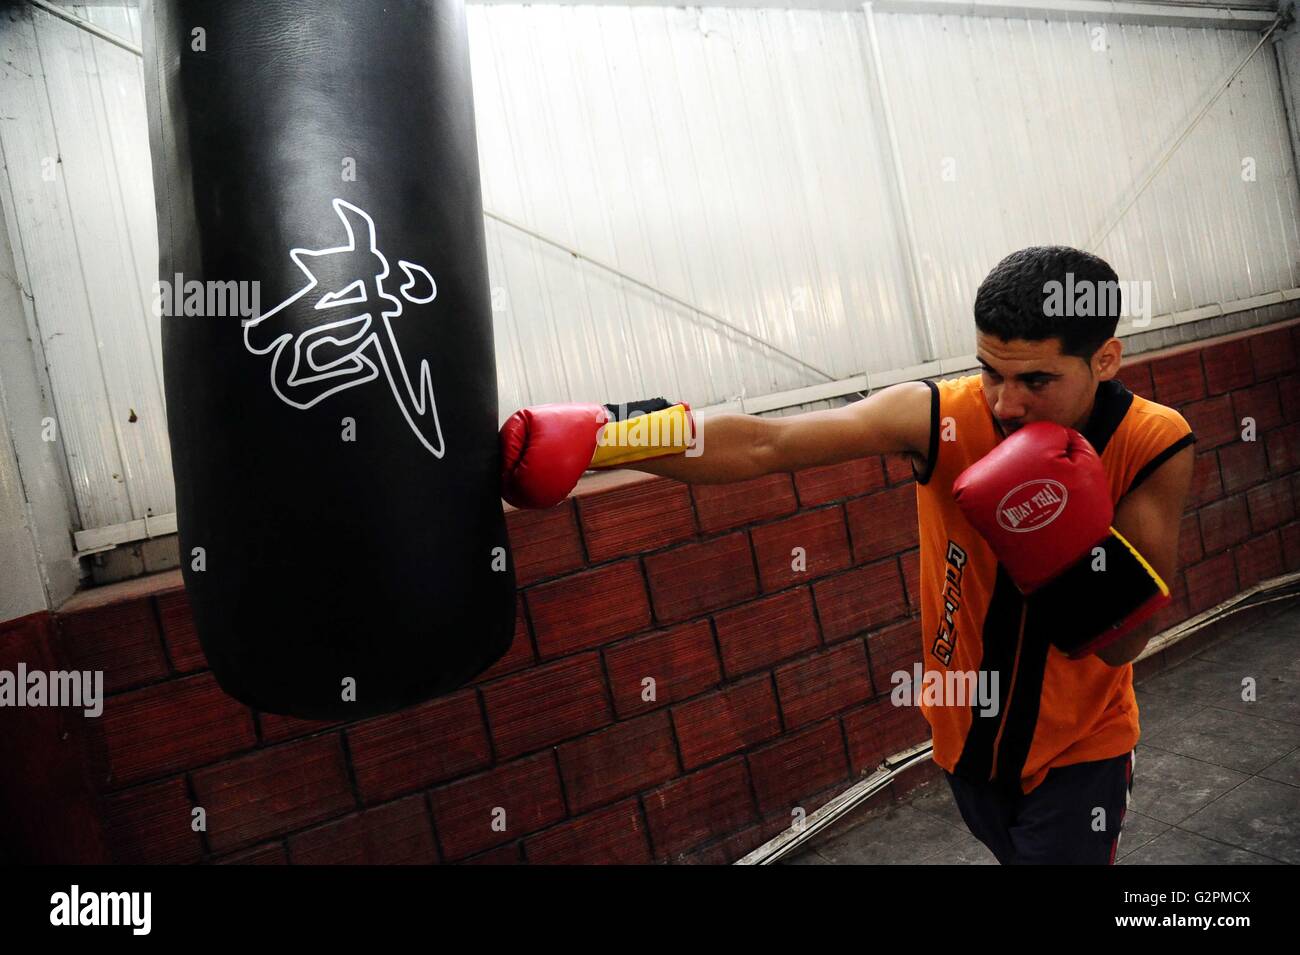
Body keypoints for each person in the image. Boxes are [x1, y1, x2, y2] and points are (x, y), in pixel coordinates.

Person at [500, 245, 1197, 864]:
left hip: (1081, 753)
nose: (1005, 403)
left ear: (1106, 357)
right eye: (990, 372)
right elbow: (769, 443)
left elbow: (1125, 643)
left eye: (1035, 380)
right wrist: (614, 437)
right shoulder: (942, 415)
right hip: (964, 744)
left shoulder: (1153, 440)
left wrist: (1067, 542)